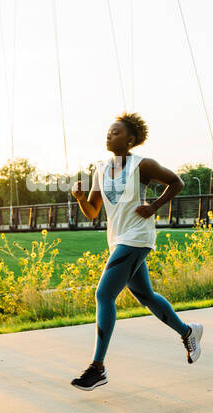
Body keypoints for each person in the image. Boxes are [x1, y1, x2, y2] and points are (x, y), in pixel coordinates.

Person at [68, 112, 203, 391]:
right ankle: (188, 332)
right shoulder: (100, 169)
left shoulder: (143, 165)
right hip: (118, 239)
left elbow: (177, 182)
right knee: (146, 296)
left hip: (138, 236)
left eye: (116, 132)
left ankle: (98, 368)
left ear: (130, 139)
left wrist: (154, 206)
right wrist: (81, 199)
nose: (109, 135)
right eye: (108, 131)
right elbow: (93, 212)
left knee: (104, 294)